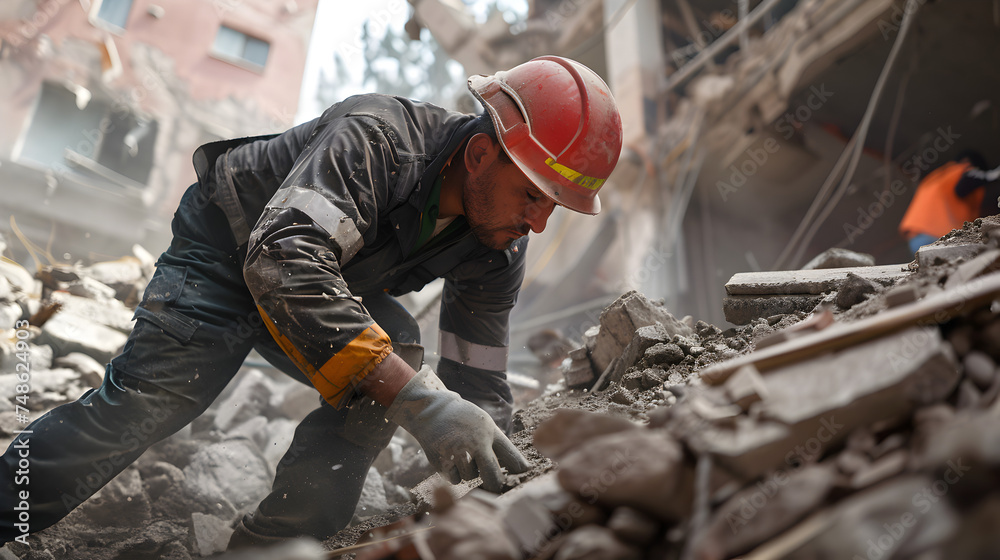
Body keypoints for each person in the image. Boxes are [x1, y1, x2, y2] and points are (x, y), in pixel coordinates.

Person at [0, 56, 623, 546]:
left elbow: (478, 381)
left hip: (322, 284)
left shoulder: (497, 245)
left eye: (554, 207)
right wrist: (417, 400)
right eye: (533, 195)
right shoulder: (378, 139)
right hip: (227, 256)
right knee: (149, 405)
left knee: (394, 355)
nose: (538, 224)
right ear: (482, 153)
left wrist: (501, 478)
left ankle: (276, 546)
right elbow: (282, 259)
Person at [898, 150, 985, 255]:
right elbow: (963, 187)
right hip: (938, 235)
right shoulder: (963, 171)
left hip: (915, 239)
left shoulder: (936, 177)